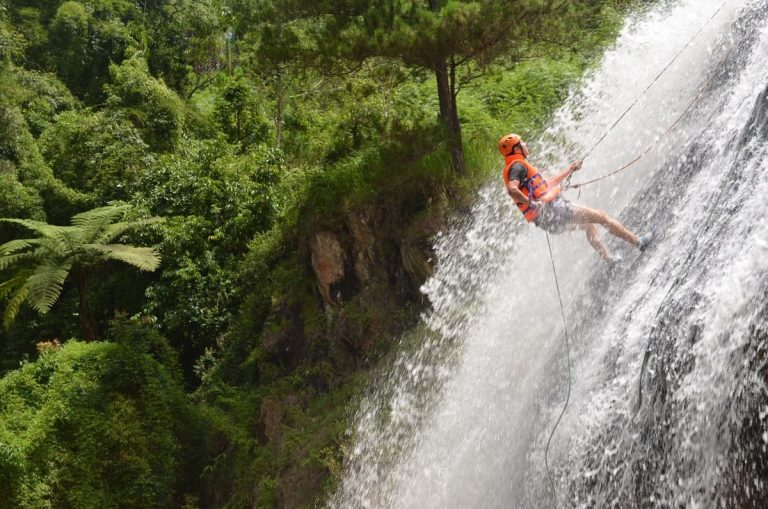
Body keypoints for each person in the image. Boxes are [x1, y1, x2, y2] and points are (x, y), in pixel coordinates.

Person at [498, 133, 654, 263]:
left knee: (587, 224)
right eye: (522, 143)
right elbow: (512, 189)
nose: (526, 145)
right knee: (601, 216)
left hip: (545, 220)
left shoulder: (517, 166)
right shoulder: (517, 166)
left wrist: (569, 170)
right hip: (552, 211)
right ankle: (639, 242)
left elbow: (546, 185)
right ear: (516, 148)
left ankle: (609, 259)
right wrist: (532, 204)